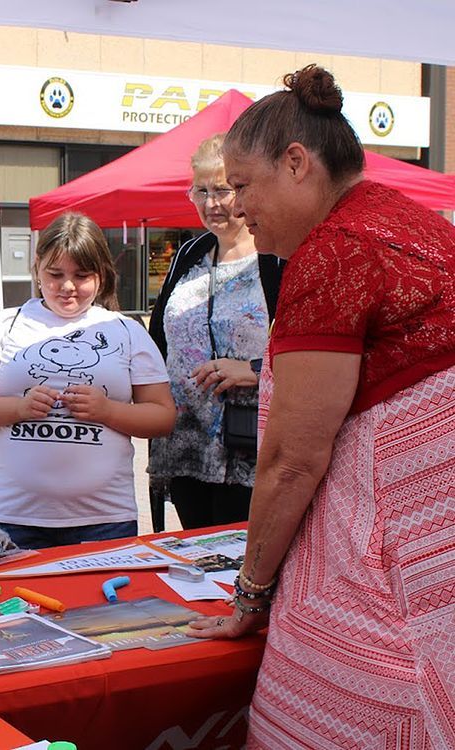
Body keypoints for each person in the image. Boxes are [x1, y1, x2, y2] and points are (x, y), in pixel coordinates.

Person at [188, 65, 455, 747]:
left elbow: (292, 462)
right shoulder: (414, 221)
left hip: (390, 584)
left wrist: (250, 593)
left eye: (244, 186)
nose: (238, 208)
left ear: (298, 163)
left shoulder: (334, 254)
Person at [0, 212, 175, 555]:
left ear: (101, 275)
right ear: (37, 267)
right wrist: (18, 408)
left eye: (81, 275)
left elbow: (162, 416)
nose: (67, 286)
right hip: (17, 516)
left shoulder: (127, 331)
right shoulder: (5, 325)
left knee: (102, 610)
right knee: (16, 606)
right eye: (55, 274)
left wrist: (107, 410)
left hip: (106, 517)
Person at [147, 134, 284, 530]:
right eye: (201, 191)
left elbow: (307, 346)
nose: (211, 204)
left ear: (243, 190)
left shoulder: (276, 255)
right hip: (185, 443)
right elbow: (160, 338)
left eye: (223, 190)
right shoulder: (190, 253)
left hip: (249, 447)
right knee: (196, 558)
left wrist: (256, 369)